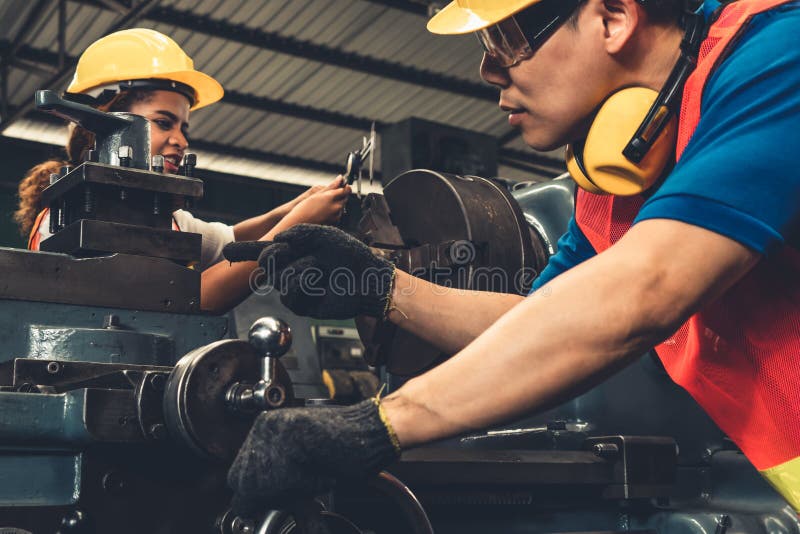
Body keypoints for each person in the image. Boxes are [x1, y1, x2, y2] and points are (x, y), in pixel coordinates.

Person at [224, 0, 800, 514]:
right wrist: (383, 287)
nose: (487, 68)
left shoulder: (779, 57)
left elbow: (645, 289)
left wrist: (378, 424)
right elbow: (539, 322)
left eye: (509, 38)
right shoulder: (611, 188)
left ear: (614, 17)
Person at [14, 28, 350, 314]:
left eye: (184, 127)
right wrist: (298, 225)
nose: (181, 140)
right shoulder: (71, 218)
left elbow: (233, 240)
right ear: (102, 123)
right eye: (163, 123)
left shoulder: (161, 217)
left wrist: (297, 207)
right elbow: (192, 298)